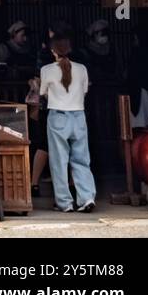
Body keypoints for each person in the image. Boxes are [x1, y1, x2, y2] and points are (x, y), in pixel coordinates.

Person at [41, 35, 96, 213]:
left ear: (52, 51)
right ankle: (87, 197)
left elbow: (43, 93)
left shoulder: (47, 70)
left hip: (58, 116)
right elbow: (85, 91)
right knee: (81, 159)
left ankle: (65, 202)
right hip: (78, 116)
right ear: (69, 49)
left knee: (59, 161)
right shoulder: (82, 69)